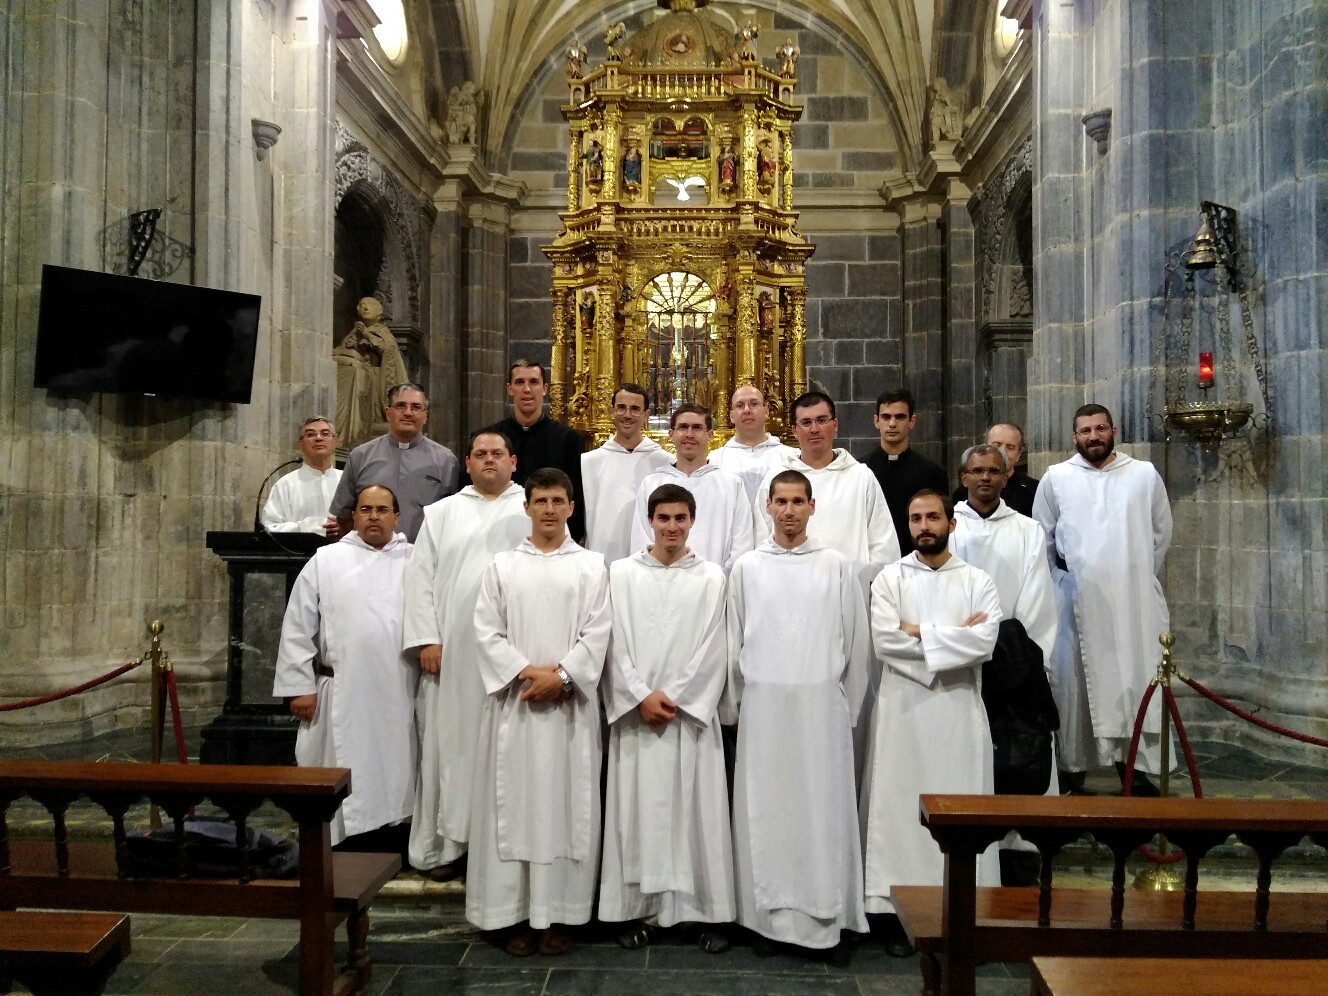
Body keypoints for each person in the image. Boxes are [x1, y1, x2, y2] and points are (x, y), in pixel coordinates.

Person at [724, 470, 870, 964]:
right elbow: (734, 641)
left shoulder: (836, 566)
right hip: (764, 711)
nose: (788, 511)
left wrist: (842, 708)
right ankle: (767, 923)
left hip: (820, 711)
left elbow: (856, 645)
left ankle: (826, 921)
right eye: (780, 502)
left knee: (821, 813)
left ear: (812, 506)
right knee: (767, 814)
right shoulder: (746, 568)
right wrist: (741, 705)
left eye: (797, 502)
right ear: (767, 506)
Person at [467, 467, 612, 956]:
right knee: (513, 805)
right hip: (517, 706)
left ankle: (560, 915)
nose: (549, 509)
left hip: (569, 710)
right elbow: (486, 631)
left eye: (558, 500)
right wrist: (530, 673)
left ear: (571, 507)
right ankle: (511, 915)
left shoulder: (593, 566)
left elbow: (599, 632)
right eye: (541, 500)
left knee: (566, 808)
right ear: (526, 507)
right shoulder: (501, 566)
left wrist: (565, 676)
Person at [862, 490, 1002, 955]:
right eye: (916, 518)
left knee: (961, 806)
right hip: (903, 713)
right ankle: (896, 911)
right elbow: (884, 641)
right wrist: (953, 637)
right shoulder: (890, 578)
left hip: (958, 712)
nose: (924, 525)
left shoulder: (978, 580)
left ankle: (965, 914)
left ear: (951, 523)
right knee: (900, 808)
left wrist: (918, 630)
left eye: (933, 517)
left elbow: (984, 644)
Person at [600, 484, 734, 953]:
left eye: (680, 518)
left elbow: (718, 645)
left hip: (689, 720)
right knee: (641, 815)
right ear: (649, 521)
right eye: (663, 518)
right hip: (640, 719)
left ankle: (702, 913)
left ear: (693, 521)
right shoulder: (620, 574)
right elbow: (609, 640)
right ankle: (644, 912)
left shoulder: (713, 577)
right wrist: (639, 696)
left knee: (698, 817)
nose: (672, 527)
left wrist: (676, 698)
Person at [402, 430, 530, 880]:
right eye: (480, 454)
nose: (489, 460)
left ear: (513, 462)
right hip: (453, 655)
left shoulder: (533, 509)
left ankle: (502, 849)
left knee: (506, 751)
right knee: (450, 748)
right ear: (468, 463)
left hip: (515, 657)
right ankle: (449, 845)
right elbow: (420, 579)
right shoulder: (442, 513)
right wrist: (427, 639)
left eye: (498, 454)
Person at [1033, 404, 1173, 796]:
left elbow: (1161, 533)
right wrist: (1065, 582)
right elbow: (1041, 538)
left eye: (1099, 429)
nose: (1092, 437)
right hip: (1076, 603)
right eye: (1084, 431)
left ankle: (1139, 772)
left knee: (1136, 680)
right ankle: (1073, 772)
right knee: (1075, 687)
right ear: (1073, 436)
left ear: (1113, 430)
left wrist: (1133, 575)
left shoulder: (1143, 475)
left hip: (1135, 604)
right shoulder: (1056, 478)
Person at [272, 484, 418, 852]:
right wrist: (299, 686)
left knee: (399, 768)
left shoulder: (415, 560)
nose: (373, 516)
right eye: (366, 509)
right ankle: (344, 840)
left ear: (396, 517)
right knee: (343, 767)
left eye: (382, 510)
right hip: (342, 689)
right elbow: (297, 626)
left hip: (401, 686)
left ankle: (397, 835)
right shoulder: (326, 560)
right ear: (353, 517)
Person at [753, 391, 900, 586]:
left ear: (835, 425)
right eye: (806, 422)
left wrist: (873, 591)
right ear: (794, 430)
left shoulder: (861, 477)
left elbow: (883, 546)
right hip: (787, 587)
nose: (814, 429)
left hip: (848, 591)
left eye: (821, 420)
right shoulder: (776, 479)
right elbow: (761, 541)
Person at [329, 382, 459, 542]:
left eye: (416, 407)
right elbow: (344, 515)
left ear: (426, 416)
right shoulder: (361, 456)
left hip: (422, 557)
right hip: (368, 555)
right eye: (401, 406)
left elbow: (454, 518)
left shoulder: (446, 461)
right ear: (388, 412)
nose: (408, 412)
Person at [630, 404, 753, 573]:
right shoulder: (651, 484)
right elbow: (640, 541)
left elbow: (742, 545)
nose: (689, 434)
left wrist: (719, 583)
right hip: (659, 584)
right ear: (671, 434)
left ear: (710, 435)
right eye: (682, 427)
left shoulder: (731, 485)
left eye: (697, 428)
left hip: (715, 587)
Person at [481, 360, 587, 543]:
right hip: (497, 537)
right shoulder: (489, 439)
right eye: (520, 382)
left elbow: (576, 499)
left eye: (534, 382)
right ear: (509, 388)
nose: (527, 389)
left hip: (551, 540)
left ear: (544, 388)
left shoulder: (569, 440)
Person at [581, 383, 671, 562]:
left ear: (646, 415)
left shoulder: (664, 462)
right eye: (621, 408)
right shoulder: (589, 462)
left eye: (635, 409)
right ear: (611, 411)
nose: (627, 415)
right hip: (601, 557)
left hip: (651, 560)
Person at [860, 389, 949, 556]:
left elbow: (939, 523)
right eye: (886, 417)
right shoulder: (859, 470)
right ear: (876, 421)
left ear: (912, 421)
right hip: (871, 563)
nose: (892, 424)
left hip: (919, 562)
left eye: (900, 417)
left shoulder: (933, 472)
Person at [334, 297, 411, 450]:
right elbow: (345, 348)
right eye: (362, 305)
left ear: (379, 312)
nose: (365, 307)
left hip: (377, 376)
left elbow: (387, 349)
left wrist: (367, 335)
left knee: (374, 406)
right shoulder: (356, 330)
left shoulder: (382, 332)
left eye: (370, 305)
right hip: (360, 375)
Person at [706, 385, 796, 502]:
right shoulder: (715, 460)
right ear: (731, 416)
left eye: (754, 404)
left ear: (766, 411)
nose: (747, 410)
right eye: (740, 405)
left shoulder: (790, 457)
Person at [261, 416, 342, 534]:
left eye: (325, 433)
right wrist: (307, 527)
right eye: (310, 435)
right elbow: (270, 528)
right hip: (299, 551)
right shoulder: (285, 485)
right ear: (301, 445)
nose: (318, 438)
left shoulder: (348, 481)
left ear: (334, 442)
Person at [951, 422, 1039, 517]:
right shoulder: (965, 490)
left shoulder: (1034, 490)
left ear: (1018, 454)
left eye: (1010, 448)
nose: (1002, 452)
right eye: (996, 445)